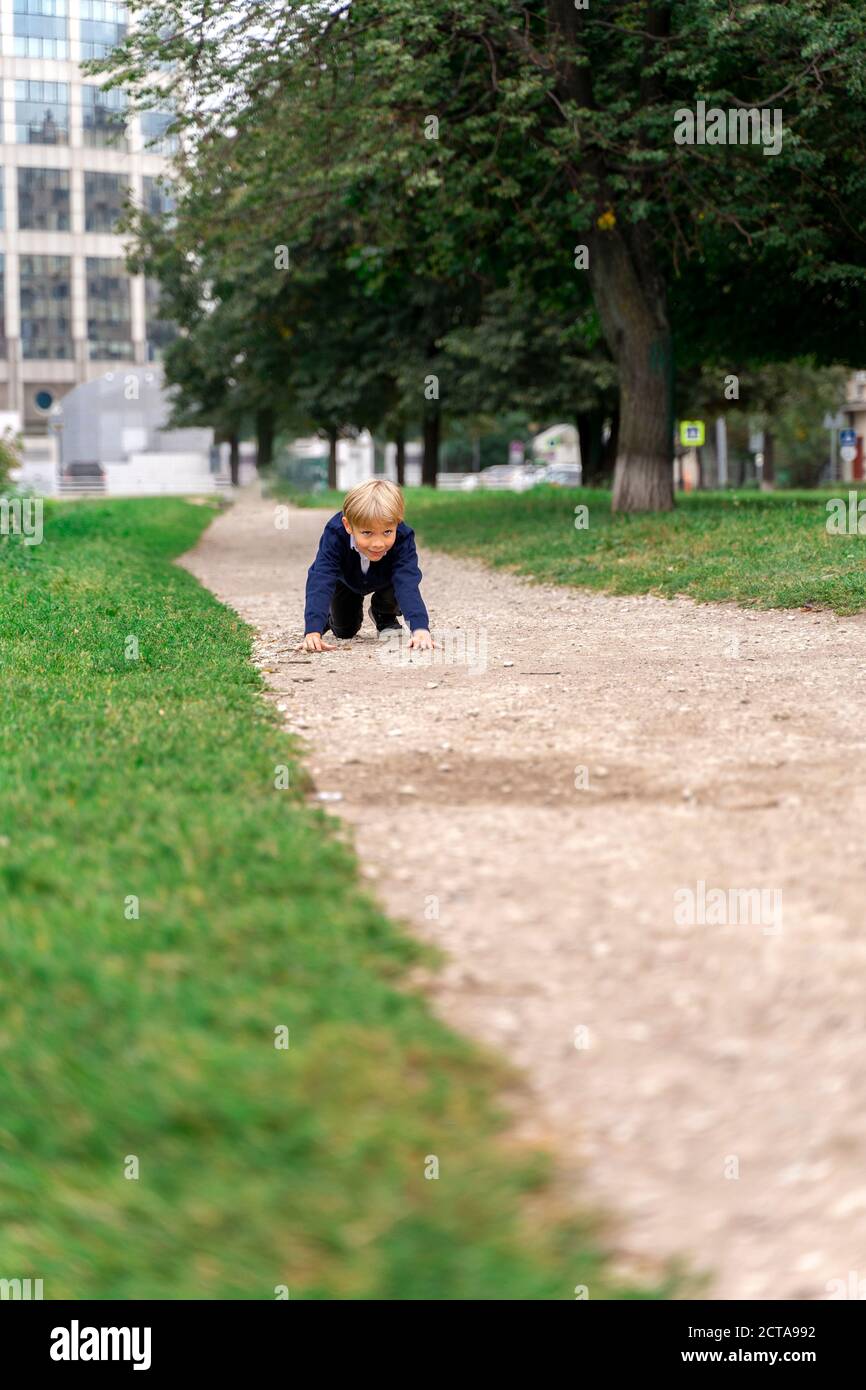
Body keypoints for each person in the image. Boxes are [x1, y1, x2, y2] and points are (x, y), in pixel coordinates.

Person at [302, 479, 433, 653]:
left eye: (387, 532)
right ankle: (329, 618)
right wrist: (313, 629)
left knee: (399, 582)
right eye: (367, 533)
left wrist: (420, 628)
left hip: (386, 580)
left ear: (397, 522)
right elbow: (321, 578)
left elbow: (407, 581)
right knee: (345, 630)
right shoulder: (335, 534)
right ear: (348, 525)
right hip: (347, 582)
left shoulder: (403, 537)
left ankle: (384, 614)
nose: (378, 543)